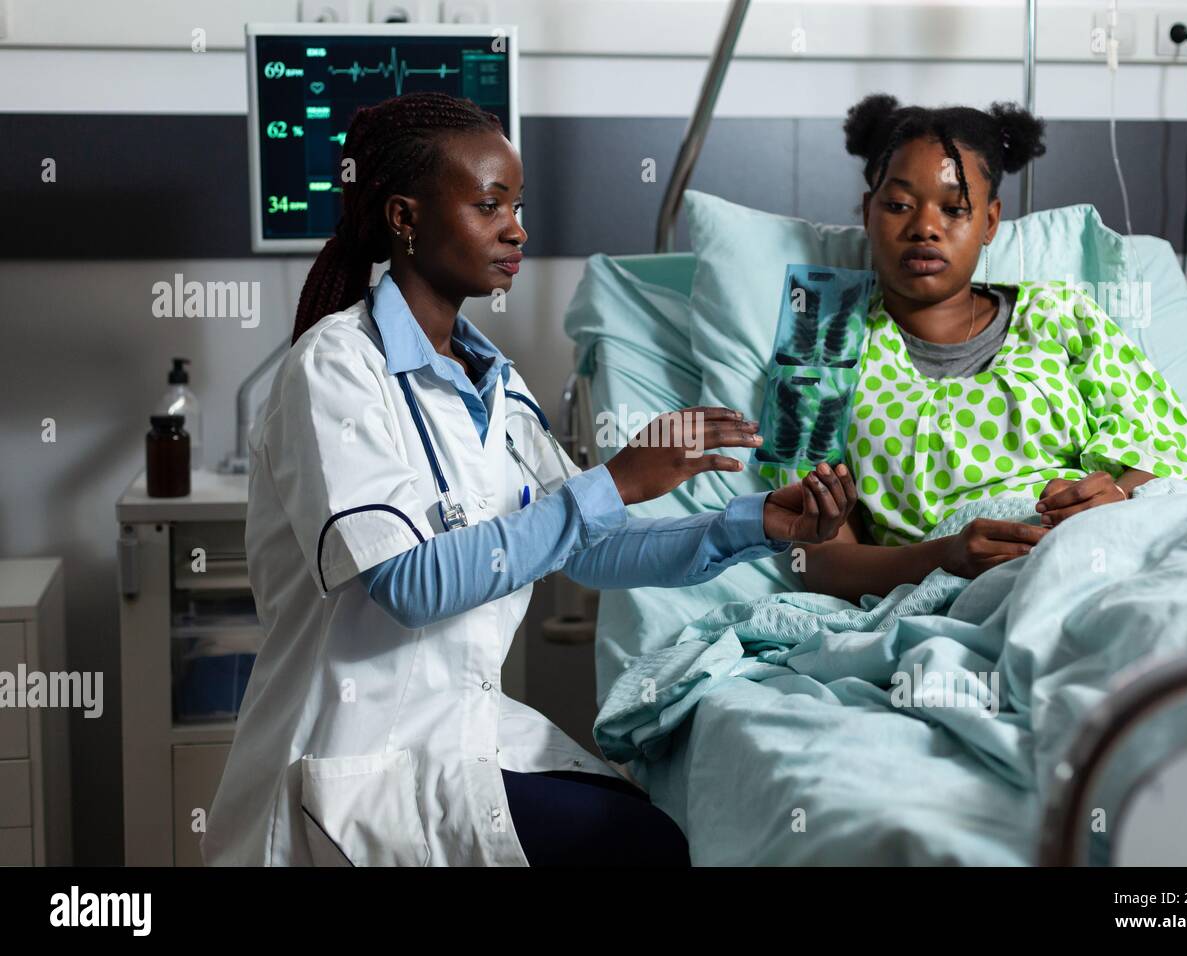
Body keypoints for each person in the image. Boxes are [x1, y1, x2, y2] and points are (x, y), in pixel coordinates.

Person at [202, 92, 856, 867]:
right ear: (404, 219)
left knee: (646, 827)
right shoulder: (337, 368)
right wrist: (612, 480)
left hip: (458, 736)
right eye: (489, 205)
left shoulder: (494, 383)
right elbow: (409, 586)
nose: (517, 228)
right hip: (357, 761)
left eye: (517, 204)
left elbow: (589, 550)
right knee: (636, 847)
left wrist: (752, 526)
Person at [800, 95, 1187, 601]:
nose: (925, 227)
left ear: (990, 222)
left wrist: (1118, 494)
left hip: (1106, 554)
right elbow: (812, 559)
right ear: (868, 212)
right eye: (899, 205)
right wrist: (942, 557)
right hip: (961, 596)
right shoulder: (820, 353)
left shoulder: (1064, 315)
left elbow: (1173, 459)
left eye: (954, 209)